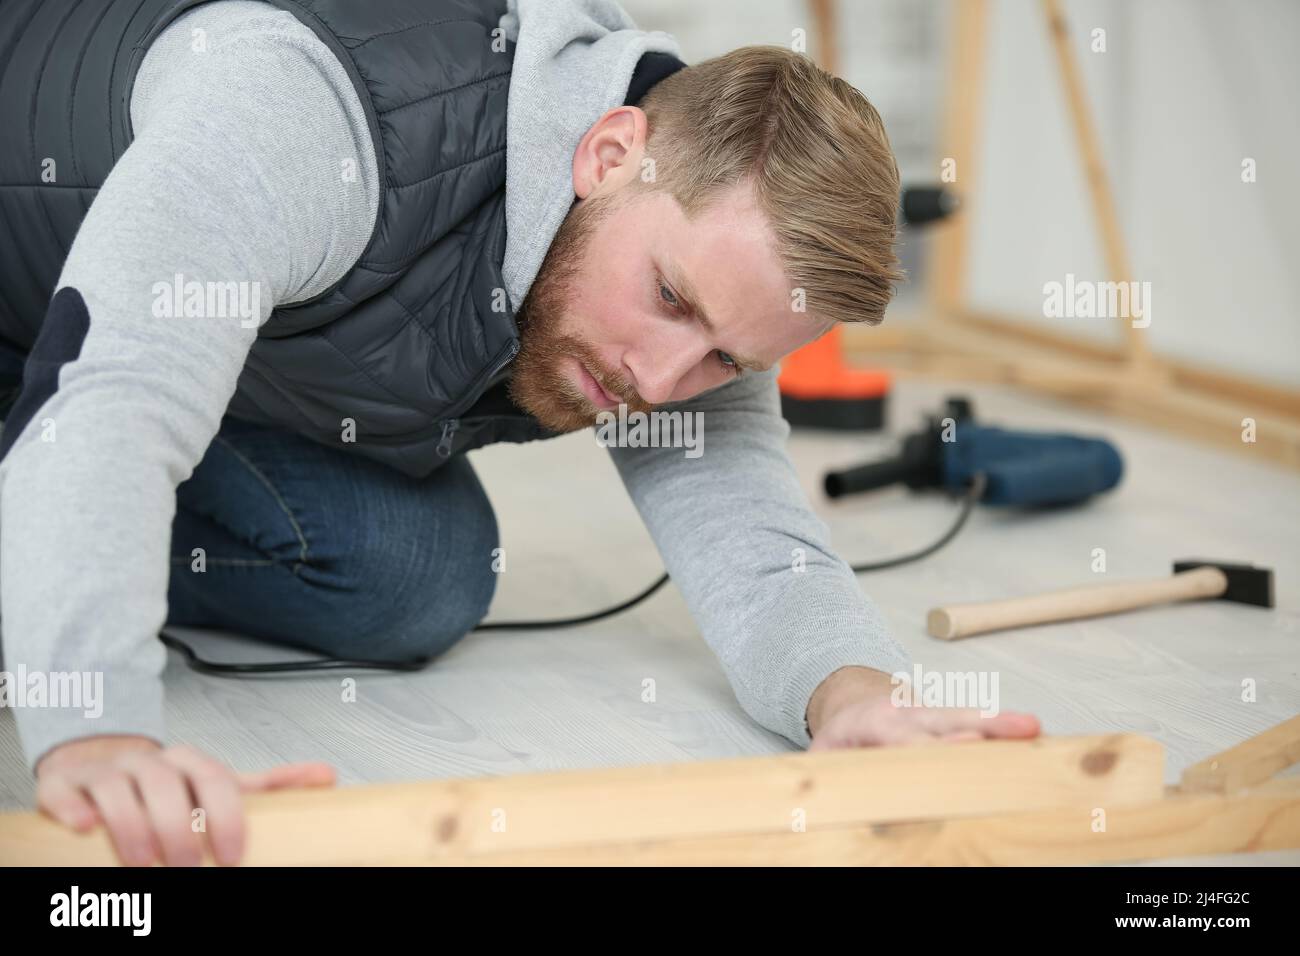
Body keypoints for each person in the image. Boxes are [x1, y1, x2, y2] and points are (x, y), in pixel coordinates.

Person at [0, 0, 1040, 866]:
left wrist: (852, 695)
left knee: (422, 569)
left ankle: (46, 538)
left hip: (138, 340)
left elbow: (754, 536)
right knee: (98, 454)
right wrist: (94, 720)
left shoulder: (696, 258)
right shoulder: (306, 109)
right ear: (607, 150)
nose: (661, 383)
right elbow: (120, 385)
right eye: (670, 298)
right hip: (60, 319)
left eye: (727, 358)